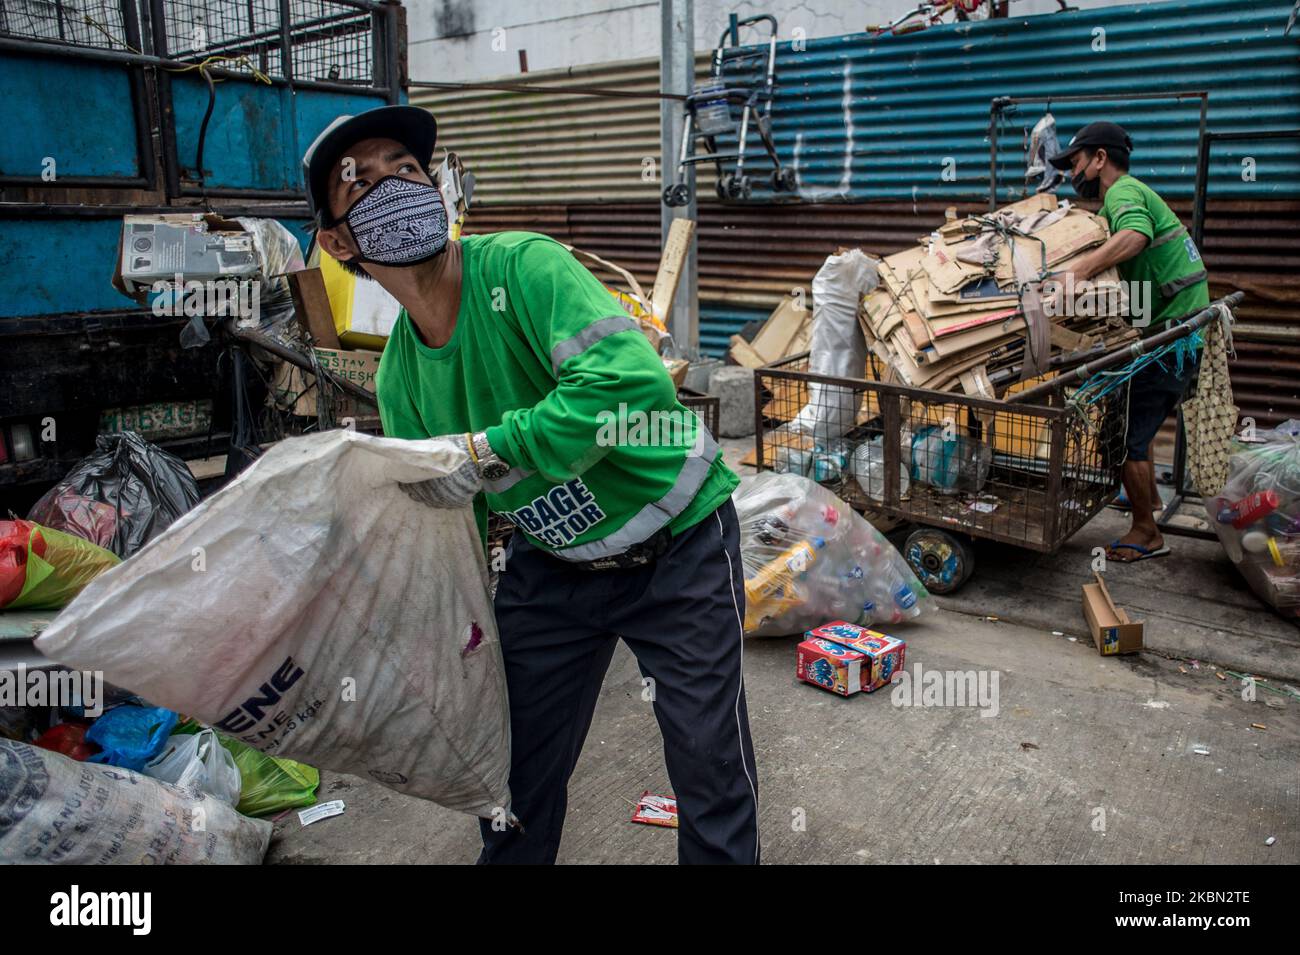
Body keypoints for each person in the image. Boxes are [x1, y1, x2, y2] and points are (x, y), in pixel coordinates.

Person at [301, 106, 760, 864]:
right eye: (363, 182)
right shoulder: (401, 379)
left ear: (440, 190)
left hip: (679, 547)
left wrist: (490, 448)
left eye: (407, 169)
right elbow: (451, 520)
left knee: (708, 762)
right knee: (512, 771)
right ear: (338, 239)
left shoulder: (521, 268)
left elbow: (630, 385)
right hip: (552, 569)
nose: (395, 185)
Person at [1048, 121, 1210, 564]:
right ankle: (1148, 499)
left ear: (1100, 159)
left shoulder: (1123, 192)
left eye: (1076, 162)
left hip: (1174, 335)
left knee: (1126, 439)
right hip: (1170, 329)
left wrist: (1076, 274)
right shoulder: (1123, 201)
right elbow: (1142, 278)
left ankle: (1147, 531)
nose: (1072, 172)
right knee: (1133, 419)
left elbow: (1136, 239)